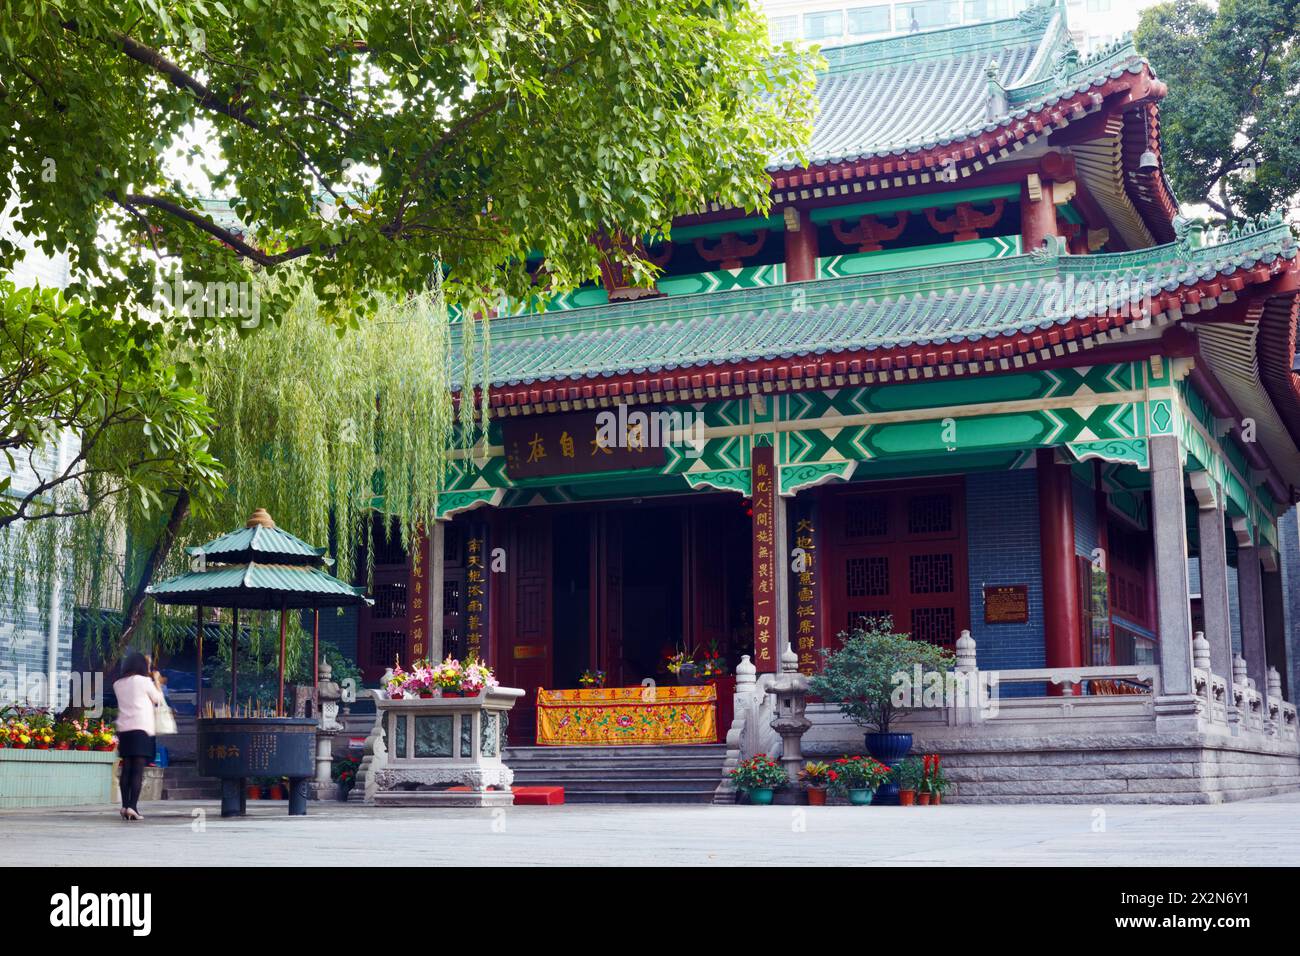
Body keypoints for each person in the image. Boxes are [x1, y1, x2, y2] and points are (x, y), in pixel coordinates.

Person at [113, 652, 165, 821]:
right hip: (141, 728)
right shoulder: (144, 682)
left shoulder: (118, 684)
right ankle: (133, 807)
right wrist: (156, 681)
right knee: (138, 769)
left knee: (126, 767)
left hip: (124, 729)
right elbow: (157, 699)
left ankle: (124, 806)